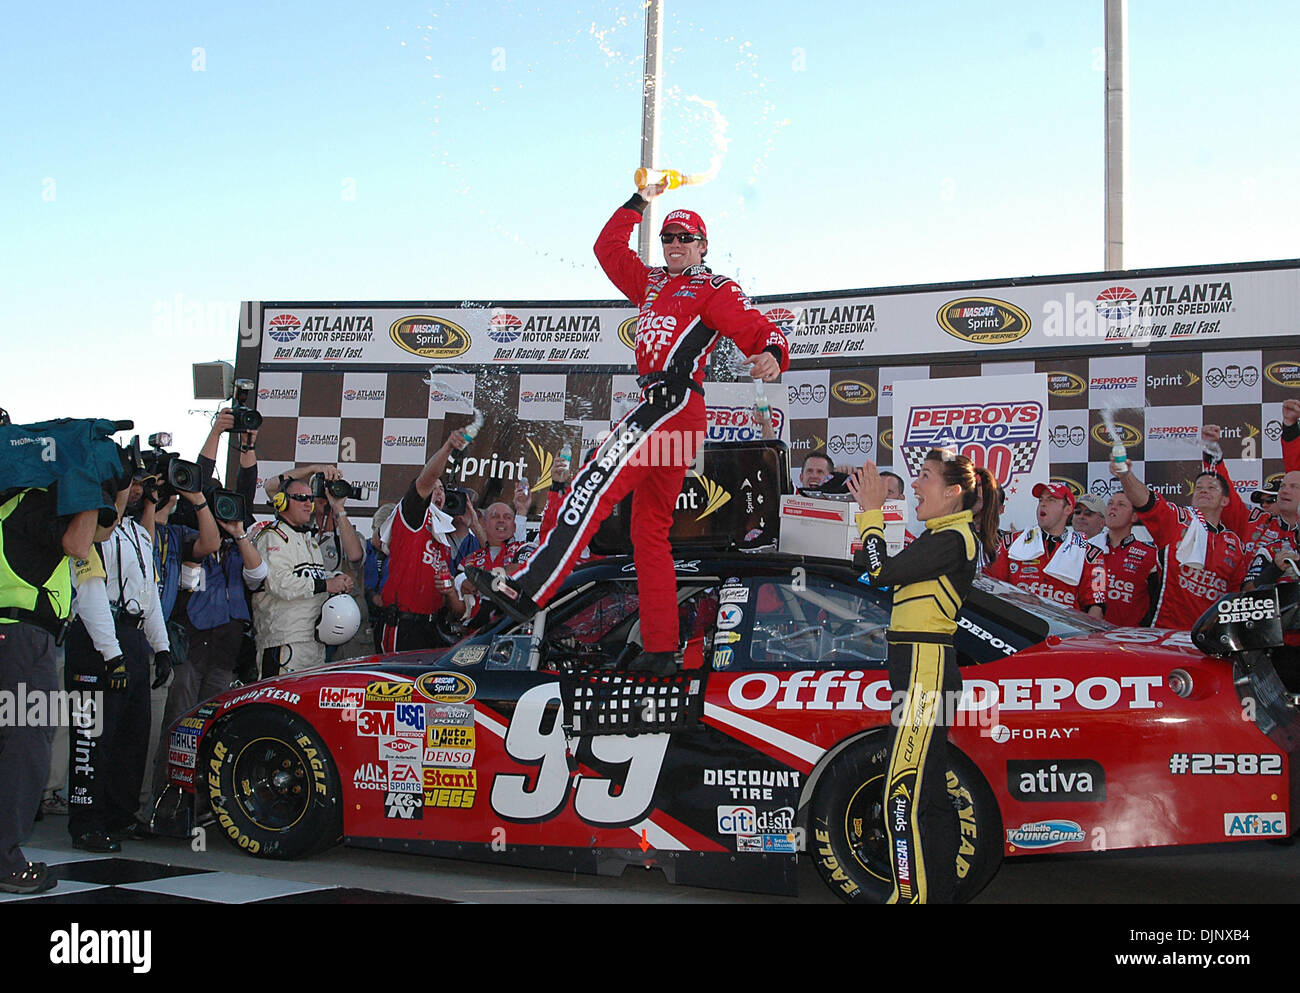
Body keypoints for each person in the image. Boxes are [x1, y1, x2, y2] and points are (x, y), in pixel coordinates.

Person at [469, 184, 789, 675]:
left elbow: (751, 323)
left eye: (686, 236)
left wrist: (773, 352)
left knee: (592, 485)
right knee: (647, 532)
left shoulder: (713, 287)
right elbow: (607, 248)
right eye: (667, 237)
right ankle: (661, 647)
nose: (675, 244)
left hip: (674, 403)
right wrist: (639, 200)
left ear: (704, 245)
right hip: (666, 408)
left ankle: (527, 588)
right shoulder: (652, 283)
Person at [847, 451, 1000, 904]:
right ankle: (937, 894)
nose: (915, 485)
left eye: (925, 477)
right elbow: (876, 572)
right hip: (921, 668)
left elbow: (882, 571)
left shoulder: (953, 537)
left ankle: (913, 897)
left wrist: (871, 512)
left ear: (953, 492)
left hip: (924, 669)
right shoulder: (941, 535)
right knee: (927, 791)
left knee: (903, 793)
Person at [65, 477, 182, 851]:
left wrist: (161, 648)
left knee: (133, 737)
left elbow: (147, 593)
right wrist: (110, 654)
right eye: (132, 484)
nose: (140, 491)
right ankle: (85, 823)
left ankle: (119, 815)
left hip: (131, 639)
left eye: (143, 485)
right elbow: (89, 594)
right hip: (95, 639)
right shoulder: (88, 527)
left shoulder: (138, 533)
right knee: (91, 738)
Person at [0, 482, 98, 892]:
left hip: (20, 635)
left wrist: (111, 493)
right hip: (24, 636)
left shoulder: (11, 503)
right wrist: (93, 486)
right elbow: (81, 544)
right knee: (27, 749)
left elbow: (101, 531)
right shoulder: (31, 500)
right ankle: (6, 862)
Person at [1111, 453, 1247, 629]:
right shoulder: (1178, 520)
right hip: (1167, 634)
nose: (1204, 490)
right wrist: (1126, 475)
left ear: (1225, 500)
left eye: (1212, 488)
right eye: (1198, 487)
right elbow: (1147, 501)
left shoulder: (1234, 544)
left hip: (1208, 639)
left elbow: (1236, 597)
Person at [251, 477, 353, 677]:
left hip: (314, 640)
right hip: (283, 642)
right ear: (282, 501)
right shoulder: (272, 536)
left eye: (310, 498)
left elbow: (310, 576)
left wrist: (337, 578)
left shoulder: (309, 540)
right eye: (301, 498)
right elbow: (279, 584)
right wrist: (326, 584)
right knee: (279, 705)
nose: (309, 504)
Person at [379, 436, 466, 653]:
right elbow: (425, 480)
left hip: (433, 625)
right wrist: (447, 448)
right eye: (433, 488)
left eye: (442, 489)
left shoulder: (443, 532)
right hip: (404, 623)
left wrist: (449, 591)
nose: (439, 493)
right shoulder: (413, 516)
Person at [986, 483, 1106, 617]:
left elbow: (1097, 605)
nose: (1043, 504)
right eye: (1041, 500)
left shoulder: (1090, 554)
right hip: (1019, 628)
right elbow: (990, 585)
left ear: (1068, 509)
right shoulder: (1011, 542)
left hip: (1064, 631)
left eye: (1051, 500)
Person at [454, 498, 532, 623]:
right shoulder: (469, 559)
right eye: (495, 517)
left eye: (507, 517)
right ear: (484, 524)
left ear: (514, 526)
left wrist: (479, 578)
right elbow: (459, 605)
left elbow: (518, 572)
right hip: (476, 634)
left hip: (511, 629)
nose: (501, 520)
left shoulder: (525, 548)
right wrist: (459, 583)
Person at [1100, 491, 1160, 626]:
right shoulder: (1089, 548)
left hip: (1130, 638)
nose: (1113, 508)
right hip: (1090, 637)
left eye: (1121, 505)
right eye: (1110, 504)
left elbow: (1157, 601)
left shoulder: (1149, 554)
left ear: (1134, 516)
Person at [363, 502, 395, 652]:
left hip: (389, 619)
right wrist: (370, 594)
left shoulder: (399, 554)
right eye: (380, 532)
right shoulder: (363, 548)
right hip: (363, 618)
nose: (383, 539)